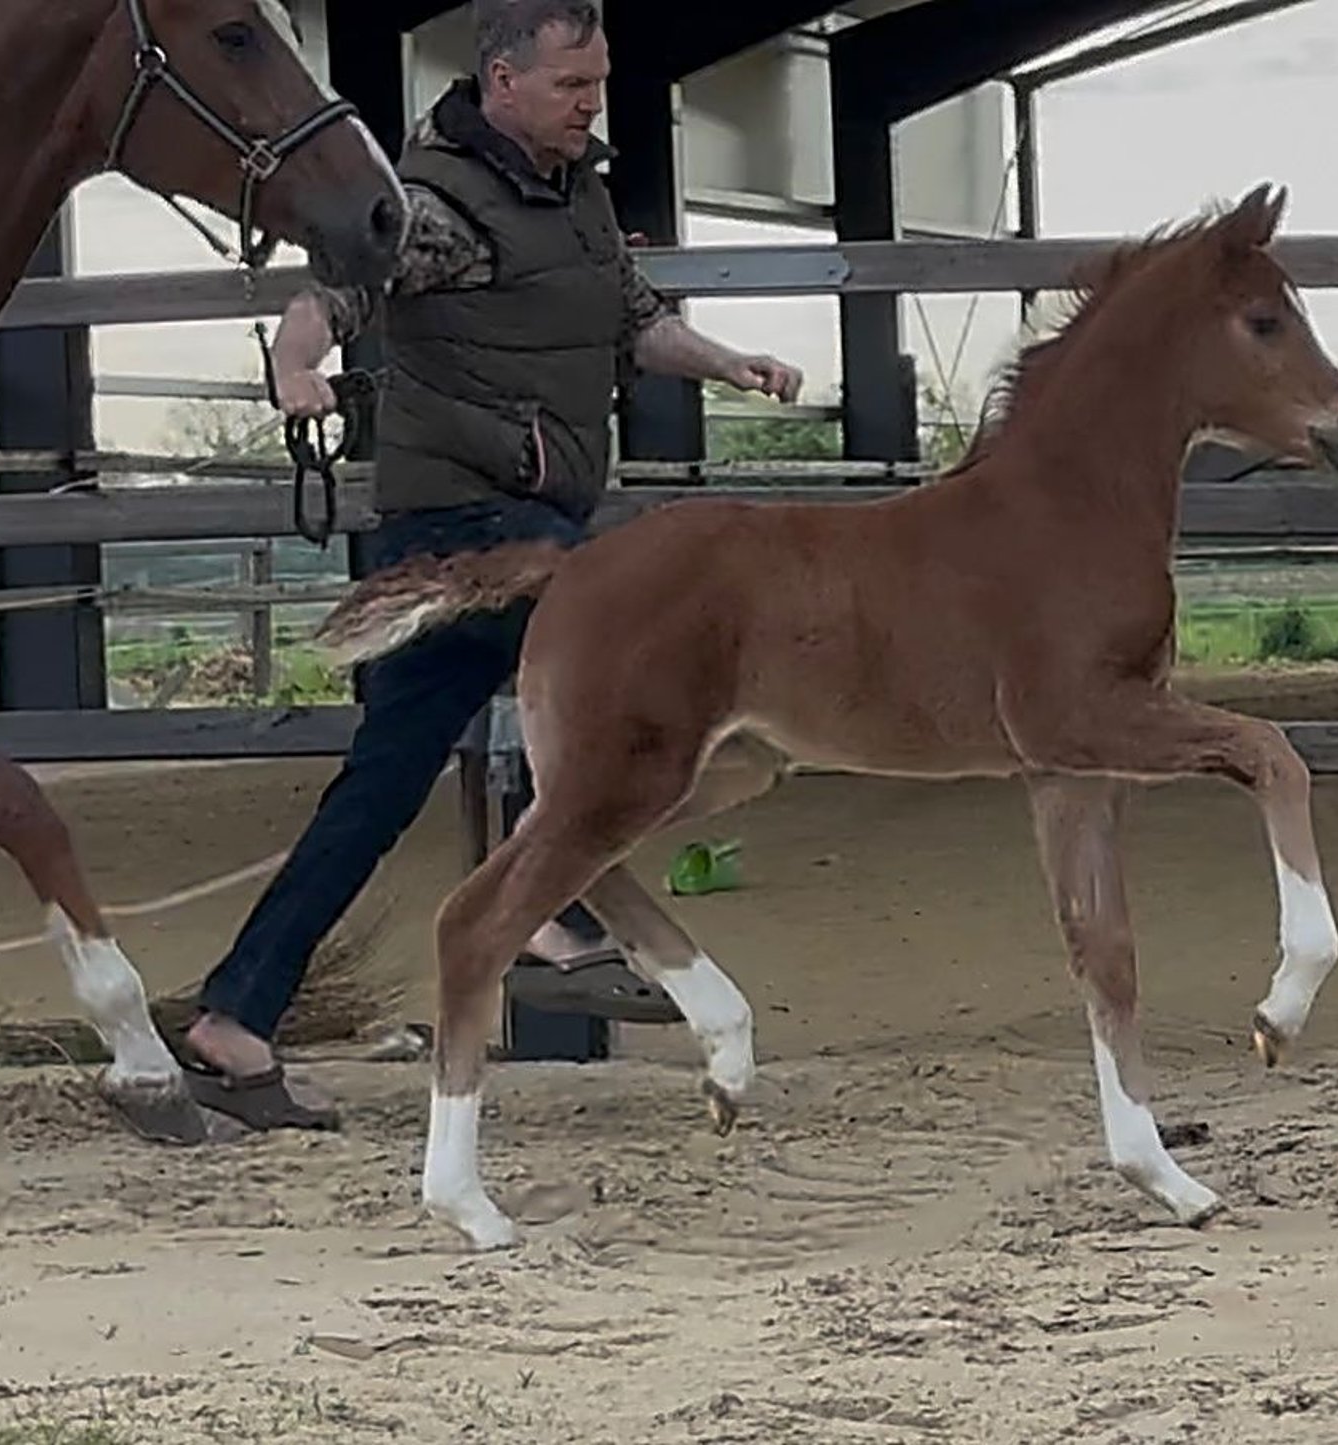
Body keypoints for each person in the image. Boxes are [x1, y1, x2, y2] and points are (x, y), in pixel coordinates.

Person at [173, 0, 804, 1131]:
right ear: (503, 81)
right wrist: (293, 361)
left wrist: (731, 363)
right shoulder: (441, 201)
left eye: (598, 82)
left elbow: (633, 319)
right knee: (648, 669)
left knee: (379, 790)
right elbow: (335, 288)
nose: (591, 103)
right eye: (572, 85)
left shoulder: (575, 193)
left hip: (526, 519)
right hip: (464, 531)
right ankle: (555, 912)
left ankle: (236, 1013)